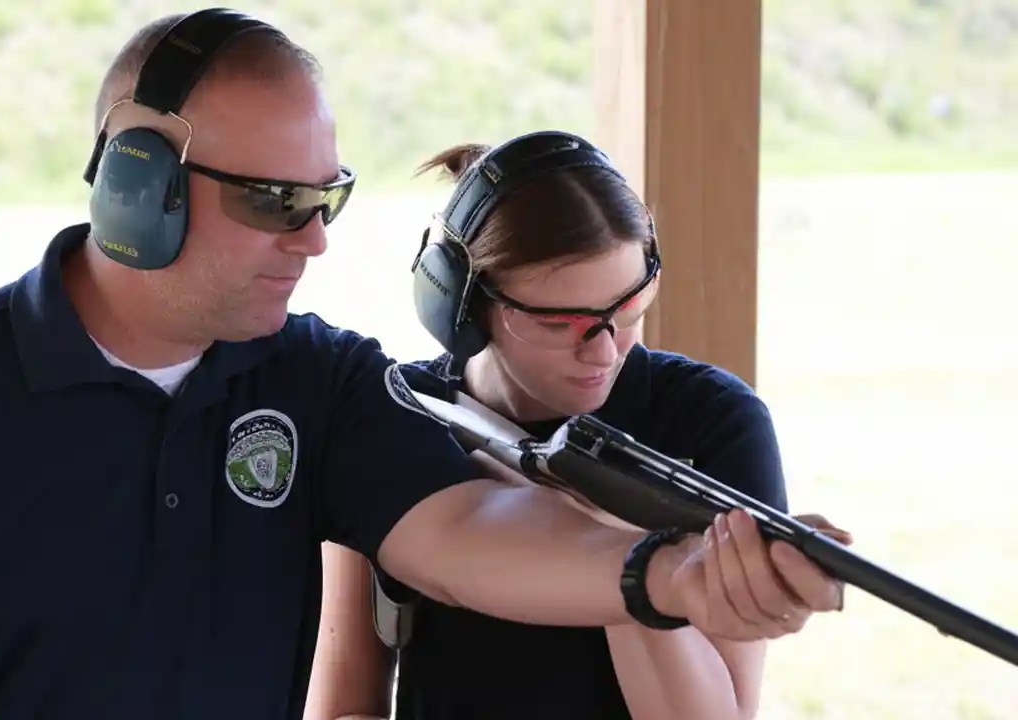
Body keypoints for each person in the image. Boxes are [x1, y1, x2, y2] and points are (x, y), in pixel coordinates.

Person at [0, 10, 845, 720]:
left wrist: (668, 570)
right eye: (273, 202)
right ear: (139, 191)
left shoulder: (311, 380)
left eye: (324, 200)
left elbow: (467, 527)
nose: (312, 239)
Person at [306, 131, 854, 720]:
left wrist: (614, 540)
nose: (603, 353)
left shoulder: (710, 420)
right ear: (461, 305)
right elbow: (344, 704)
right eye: (558, 324)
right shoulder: (400, 413)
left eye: (627, 313)